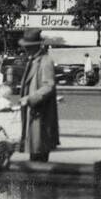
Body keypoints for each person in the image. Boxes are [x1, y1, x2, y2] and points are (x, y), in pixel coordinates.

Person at [17, 28, 60, 162]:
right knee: (34, 151)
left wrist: (30, 98)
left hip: (41, 114)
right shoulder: (33, 60)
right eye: (25, 47)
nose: (26, 49)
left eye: (28, 47)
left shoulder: (45, 61)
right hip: (34, 112)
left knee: (39, 152)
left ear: (37, 46)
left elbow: (49, 86)